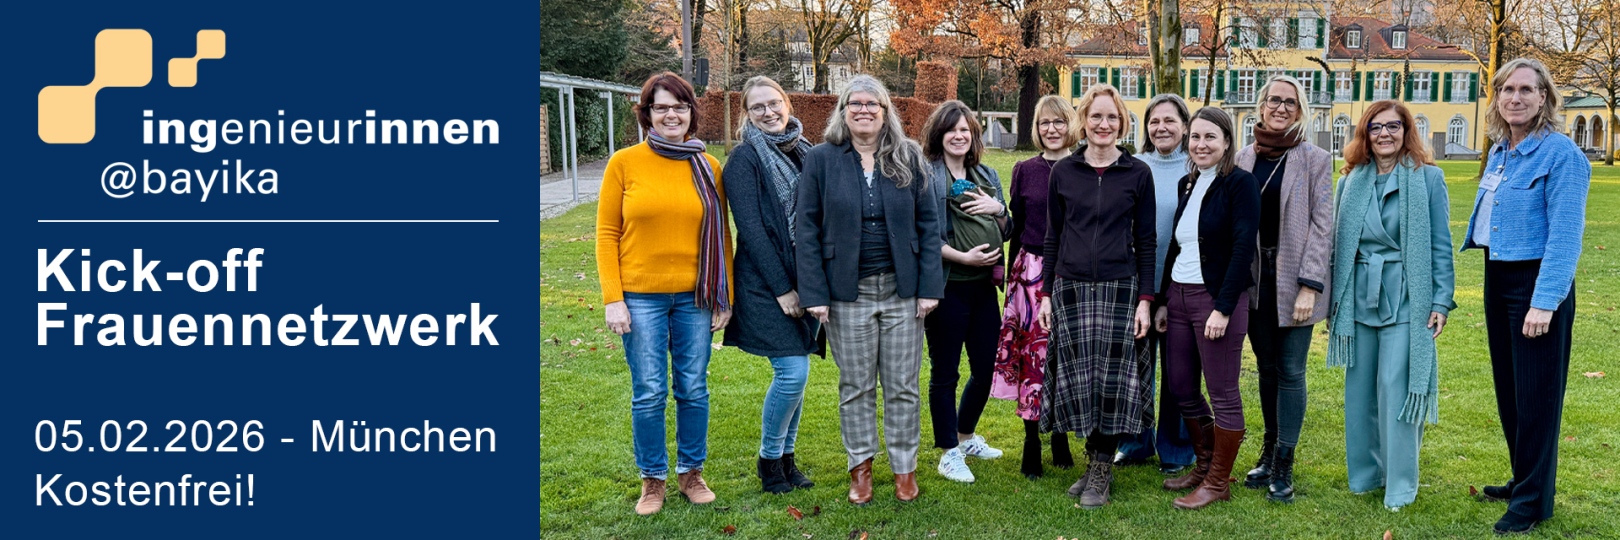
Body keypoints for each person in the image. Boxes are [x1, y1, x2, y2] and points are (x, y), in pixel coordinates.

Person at [796, 74, 943, 506]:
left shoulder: (909, 156)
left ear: (885, 112)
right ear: (843, 111)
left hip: (903, 292)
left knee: (902, 386)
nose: (863, 110)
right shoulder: (822, 159)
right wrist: (815, 293)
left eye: (872, 104)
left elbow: (930, 227)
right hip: (847, 294)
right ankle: (860, 467)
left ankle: (904, 469)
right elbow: (806, 229)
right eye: (855, 103)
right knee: (856, 386)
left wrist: (928, 288)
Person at [1461, 57, 1591, 535]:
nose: (1514, 98)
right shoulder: (1501, 150)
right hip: (1499, 277)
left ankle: (1534, 502)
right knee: (1511, 392)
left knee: (1537, 396)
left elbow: (1565, 236)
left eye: (1525, 90)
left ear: (1544, 98)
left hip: (1537, 284)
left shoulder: (1561, 154)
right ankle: (1524, 480)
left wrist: (1545, 300)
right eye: (1506, 90)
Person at [597, 71, 732, 516]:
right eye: (661, 107)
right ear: (647, 114)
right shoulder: (624, 162)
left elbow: (722, 238)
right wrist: (613, 297)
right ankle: (652, 480)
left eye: (679, 106)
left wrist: (723, 295)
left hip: (695, 296)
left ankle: (691, 473)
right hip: (640, 297)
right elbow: (606, 233)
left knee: (693, 388)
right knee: (650, 390)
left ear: (691, 112)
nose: (671, 113)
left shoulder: (709, 166)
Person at [1327, 99, 1456, 511]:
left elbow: (1440, 245)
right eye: (1376, 127)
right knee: (1360, 388)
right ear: (1365, 134)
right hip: (1356, 296)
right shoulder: (1349, 182)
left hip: (1407, 295)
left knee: (1395, 388)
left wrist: (1441, 299)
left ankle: (1401, 482)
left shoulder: (1429, 179)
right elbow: (1335, 247)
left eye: (1394, 127)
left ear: (1406, 132)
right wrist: (1333, 301)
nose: (1385, 134)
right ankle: (1366, 474)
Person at [1035, 83, 1156, 508]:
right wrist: (1046, 292)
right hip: (1070, 288)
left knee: (1111, 382)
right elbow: (1054, 236)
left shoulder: (1137, 173)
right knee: (1082, 380)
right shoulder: (1064, 173)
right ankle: (1093, 460)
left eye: (1112, 117)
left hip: (1120, 288)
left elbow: (1146, 240)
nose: (1104, 124)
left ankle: (1102, 467)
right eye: (1096, 116)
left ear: (1122, 123)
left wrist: (1145, 299)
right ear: (1083, 122)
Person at [1233, 74, 1335, 503]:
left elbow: (1322, 225)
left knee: (1291, 371)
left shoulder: (1315, 158)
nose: (1280, 108)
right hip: (1255, 280)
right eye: (1273, 100)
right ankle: (1269, 448)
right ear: (1260, 106)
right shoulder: (1241, 159)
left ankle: (1285, 462)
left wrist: (1310, 285)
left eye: (1290, 102)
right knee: (1266, 367)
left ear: (1301, 110)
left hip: (1296, 278)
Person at [720, 76, 820, 495]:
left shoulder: (807, 152)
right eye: (757, 107)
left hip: (807, 278)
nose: (768, 112)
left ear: (787, 103)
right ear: (747, 113)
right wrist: (783, 290)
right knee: (792, 371)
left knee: (799, 368)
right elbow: (753, 231)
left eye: (774, 103)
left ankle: (787, 461)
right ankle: (768, 460)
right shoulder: (743, 159)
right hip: (765, 282)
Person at [1158, 106, 1260, 510]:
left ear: (1227, 142)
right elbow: (1177, 244)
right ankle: (1204, 465)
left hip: (1217, 299)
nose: (1201, 145)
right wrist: (1166, 298)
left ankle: (1218, 482)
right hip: (1179, 297)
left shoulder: (1240, 183)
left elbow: (1242, 250)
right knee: (1181, 387)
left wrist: (1223, 308)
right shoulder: (1189, 182)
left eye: (1210, 138)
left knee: (1223, 394)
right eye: (1196, 137)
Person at [920, 100, 1011, 483]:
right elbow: (921, 234)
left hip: (984, 290)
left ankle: (966, 435)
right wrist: (962, 257)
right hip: (947, 288)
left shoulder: (986, 173)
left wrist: (998, 210)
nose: (959, 136)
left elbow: (1006, 230)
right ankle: (948, 452)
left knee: (986, 370)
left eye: (966, 130)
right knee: (946, 373)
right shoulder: (925, 176)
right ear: (939, 134)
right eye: (951, 129)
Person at [994, 95, 1077, 480]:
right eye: (1044, 123)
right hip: (1029, 273)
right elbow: (1018, 224)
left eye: (1059, 122)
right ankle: (1031, 439)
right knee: (1031, 358)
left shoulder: (1083, 166)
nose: (1052, 129)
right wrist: (1010, 274)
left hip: (1072, 273)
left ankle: (1060, 432)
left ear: (1071, 125)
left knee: (1064, 356)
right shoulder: (1025, 169)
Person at [1116, 93, 1199, 476]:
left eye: (1169, 120)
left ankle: (1178, 448)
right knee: (1135, 366)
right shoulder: (1134, 166)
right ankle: (1134, 442)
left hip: (1183, 281)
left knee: (1180, 367)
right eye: (1154, 121)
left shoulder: (1198, 168)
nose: (1161, 127)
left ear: (1185, 125)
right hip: (1138, 282)